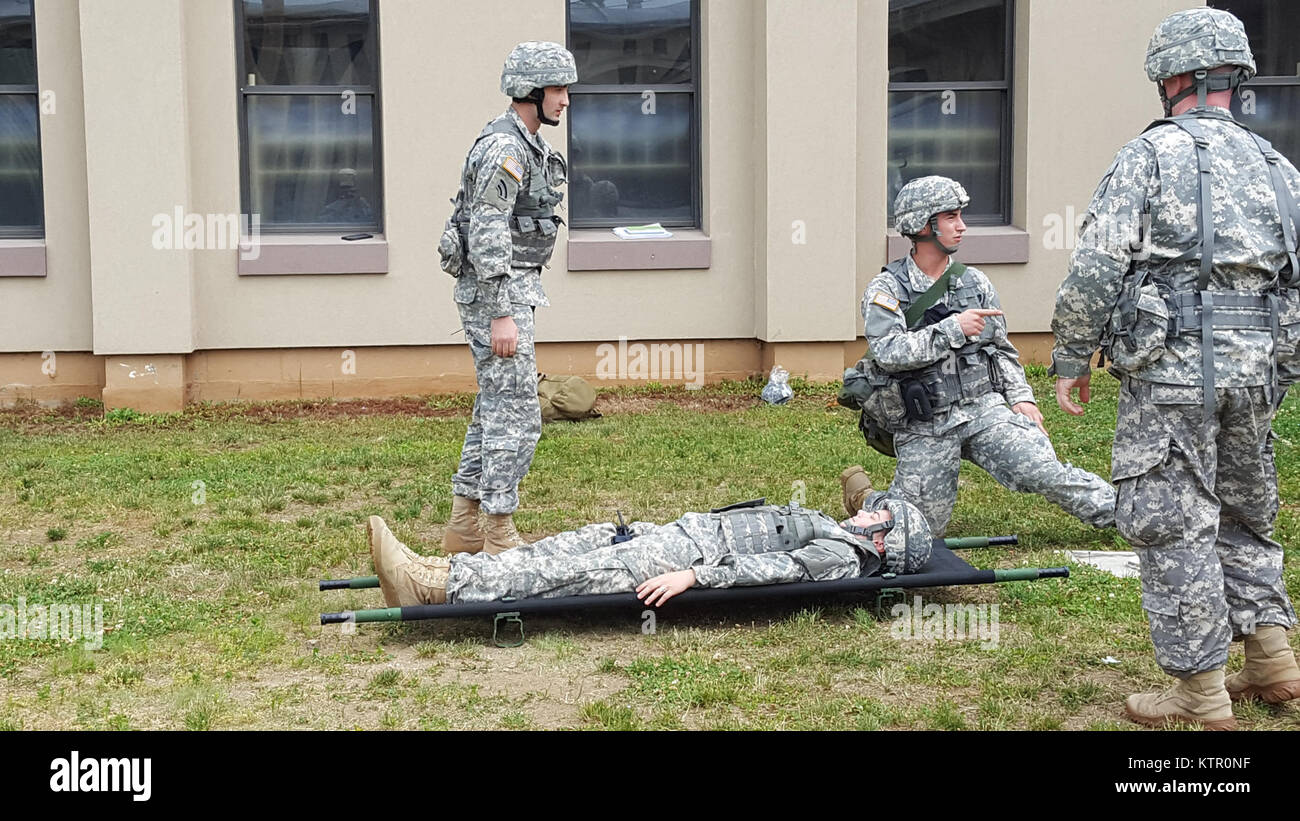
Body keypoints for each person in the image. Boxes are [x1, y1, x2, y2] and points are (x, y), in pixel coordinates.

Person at [1050, 8, 1300, 729]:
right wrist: (1281, 364)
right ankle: (1273, 660)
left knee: (1173, 521)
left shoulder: (1148, 157)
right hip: (1255, 377)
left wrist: (1072, 353)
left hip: (1171, 377)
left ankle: (1199, 689)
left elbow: (1098, 266)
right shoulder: (1277, 167)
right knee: (1246, 511)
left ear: (1175, 78)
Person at [858, 176, 1115, 538]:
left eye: (961, 215)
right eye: (950, 217)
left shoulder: (974, 283)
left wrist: (1021, 398)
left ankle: (1129, 517)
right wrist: (953, 329)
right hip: (927, 423)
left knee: (1043, 470)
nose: (962, 226)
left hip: (983, 409)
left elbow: (1001, 349)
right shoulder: (887, 289)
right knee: (919, 531)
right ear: (922, 224)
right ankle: (868, 500)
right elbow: (888, 352)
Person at [442, 42, 577, 556]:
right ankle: (497, 529)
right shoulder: (505, 148)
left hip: (512, 290)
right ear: (532, 91)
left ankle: (465, 525)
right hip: (498, 295)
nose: (565, 100)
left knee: (494, 407)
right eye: (558, 89)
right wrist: (501, 312)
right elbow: (489, 229)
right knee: (517, 412)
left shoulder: (526, 143)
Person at [363, 492, 932, 608]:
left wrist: (693, 578)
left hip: (679, 559)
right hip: (673, 535)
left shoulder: (847, 556)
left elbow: (772, 569)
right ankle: (437, 569)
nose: (866, 507)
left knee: (556, 576)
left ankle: (433, 587)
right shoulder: (846, 531)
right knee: (558, 549)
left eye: (877, 511)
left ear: (883, 538)